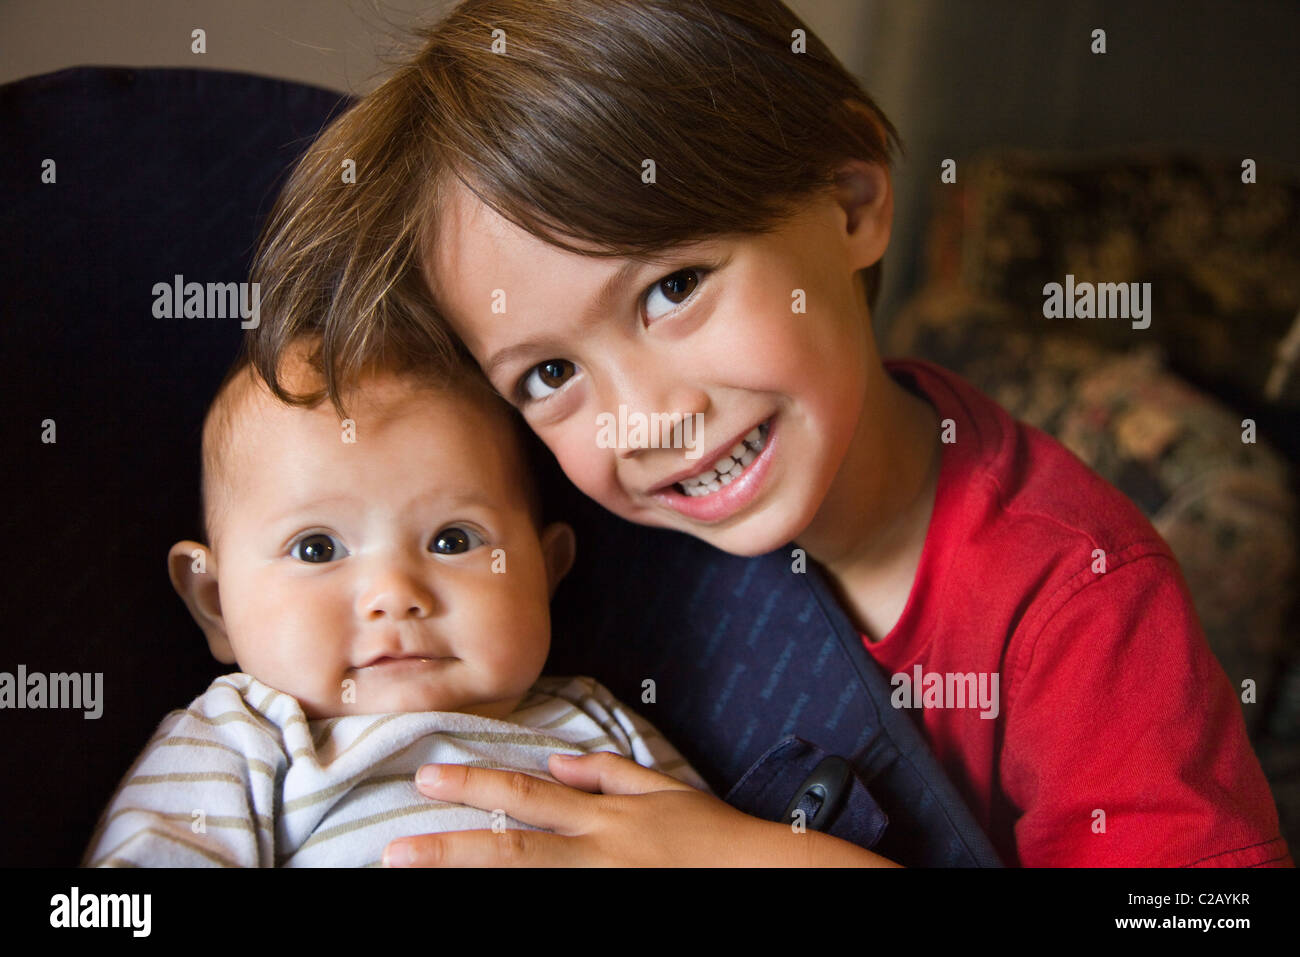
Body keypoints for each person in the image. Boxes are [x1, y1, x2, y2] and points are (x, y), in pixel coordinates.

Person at [246, 0, 1291, 867]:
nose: (645, 418)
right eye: (551, 374)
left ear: (849, 203)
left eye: (673, 288)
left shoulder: (1075, 600)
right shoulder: (548, 525)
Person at [81, 343, 712, 867]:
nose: (395, 595)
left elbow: (713, 851)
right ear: (216, 604)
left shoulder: (599, 725)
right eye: (317, 548)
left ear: (542, 574)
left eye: (453, 540)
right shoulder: (243, 738)